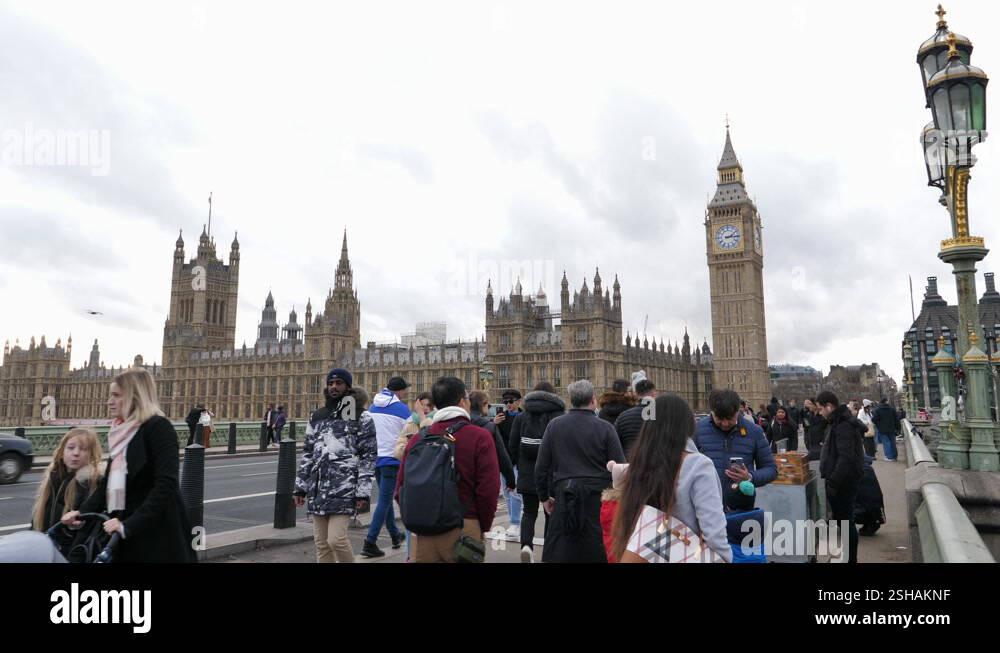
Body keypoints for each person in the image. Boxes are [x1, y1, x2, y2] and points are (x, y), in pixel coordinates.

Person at [64, 368, 197, 563]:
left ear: (136, 396)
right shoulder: (121, 432)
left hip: (156, 533)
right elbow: (106, 486)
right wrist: (81, 514)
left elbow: (166, 484)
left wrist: (129, 525)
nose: (109, 401)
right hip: (121, 528)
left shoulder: (158, 427)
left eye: (116, 395)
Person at [609, 393, 732, 563]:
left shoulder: (639, 463)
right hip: (684, 555)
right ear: (687, 424)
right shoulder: (698, 464)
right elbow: (713, 530)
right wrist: (724, 559)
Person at [395, 377, 500, 563]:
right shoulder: (479, 436)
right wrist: (480, 526)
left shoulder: (418, 438)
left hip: (424, 532)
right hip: (464, 528)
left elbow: (401, 488)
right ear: (462, 402)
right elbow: (489, 489)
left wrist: (419, 519)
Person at [535, 379, 626, 563]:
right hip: (597, 501)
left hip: (565, 496)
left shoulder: (555, 425)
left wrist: (544, 497)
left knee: (563, 552)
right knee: (595, 551)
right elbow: (620, 469)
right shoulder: (606, 428)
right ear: (593, 400)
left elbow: (541, 468)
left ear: (571, 401)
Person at [294, 368, 376, 563]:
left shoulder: (362, 416)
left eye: (338, 383)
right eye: (330, 383)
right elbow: (308, 453)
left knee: (336, 540)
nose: (333, 387)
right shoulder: (318, 416)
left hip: (344, 487)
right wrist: (300, 487)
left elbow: (368, 455)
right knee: (322, 544)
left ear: (348, 387)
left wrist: (363, 491)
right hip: (319, 487)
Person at [508, 381, 565, 563]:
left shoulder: (521, 416)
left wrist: (520, 467)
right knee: (551, 514)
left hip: (527, 473)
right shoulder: (559, 416)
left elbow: (513, 447)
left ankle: (526, 547)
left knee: (529, 512)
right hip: (552, 475)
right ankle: (548, 553)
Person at [694, 389, 777, 499]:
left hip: (741, 505)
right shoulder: (697, 430)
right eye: (719, 418)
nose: (725, 424)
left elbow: (771, 469)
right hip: (705, 503)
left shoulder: (754, 431)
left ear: (738, 411)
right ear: (712, 411)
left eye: (729, 418)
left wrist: (750, 477)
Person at [362, 376, 411, 558]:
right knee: (383, 501)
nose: (405, 393)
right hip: (391, 460)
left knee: (385, 498)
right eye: (404, 390)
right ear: (399, 391)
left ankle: (394, 535)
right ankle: (370, 541)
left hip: (377, 458)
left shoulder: (373, 406)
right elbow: (410, 433)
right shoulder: (402, 409)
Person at [816, 390, 865, 564]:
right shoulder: (838, 421)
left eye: (821, 409)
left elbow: (846, 457)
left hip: (844, 481)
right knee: (844, 522)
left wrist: (834, 483)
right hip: (842, 480)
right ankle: (848, 557)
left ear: (829, 406)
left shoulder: (842, 424)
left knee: (846, 523)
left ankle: (851, 559)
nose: (820, 413)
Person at [32, 428, 104, 532]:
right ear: (62, 452)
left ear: (91, 455)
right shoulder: (53, 477)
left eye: (83, 449)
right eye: (71, 448)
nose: (76, 453)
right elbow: (37, 518)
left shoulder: (90, 483)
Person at [394, 392, 434, 561]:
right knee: (411, 522)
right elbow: (397, 451)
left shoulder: (436, 424)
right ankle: (410, 556)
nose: (424, 408)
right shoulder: (410, 424)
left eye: (428, 406)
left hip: (432, 482)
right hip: (413, 480)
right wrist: (413, 449)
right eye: (422, 405)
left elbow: (433, 447)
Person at [469, 391, 517, 518]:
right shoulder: (489, 427)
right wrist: (510, 481)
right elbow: (502, 457)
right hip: (483, 478)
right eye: (488, 405)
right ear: (483, 405)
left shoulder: (456, 424)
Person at [493, 389, 523, 540]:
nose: (508, 405)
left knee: (515, 492)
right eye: (505, 402)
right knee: (507, 493)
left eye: (511, 402)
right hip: (504, 461)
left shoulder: (525, 417)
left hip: (518, 460)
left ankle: (515, 523)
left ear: (518, 401)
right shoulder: (500, 419)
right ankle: (514, 522)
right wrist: (493, 424)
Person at [613, 378, 657, 460]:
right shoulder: (663, 415)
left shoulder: (622, 416)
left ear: (636, 394)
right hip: (654, 464)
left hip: (630, 463)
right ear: (654, 394)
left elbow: (615, 444)